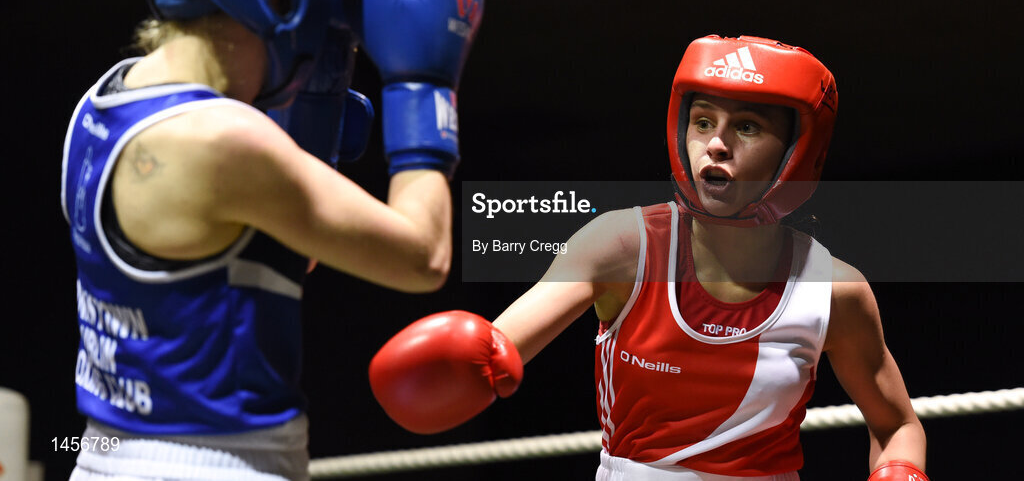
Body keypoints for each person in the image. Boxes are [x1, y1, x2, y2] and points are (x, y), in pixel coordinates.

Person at [60, 0, 483, 481]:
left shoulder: (101, 102)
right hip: (217, 464)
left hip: (106, 456)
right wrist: (424, 84)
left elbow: (291, 254)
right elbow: (423, 256)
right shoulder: (226, 142)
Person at [369, 35, 930, 480]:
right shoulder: (622, 246)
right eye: (703, 121)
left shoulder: (833, 290)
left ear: (797, 151)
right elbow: (498, 348)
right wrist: (462, 364)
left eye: (748, 127)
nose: (716, 142)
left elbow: (896, 424)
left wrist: (900, 469)